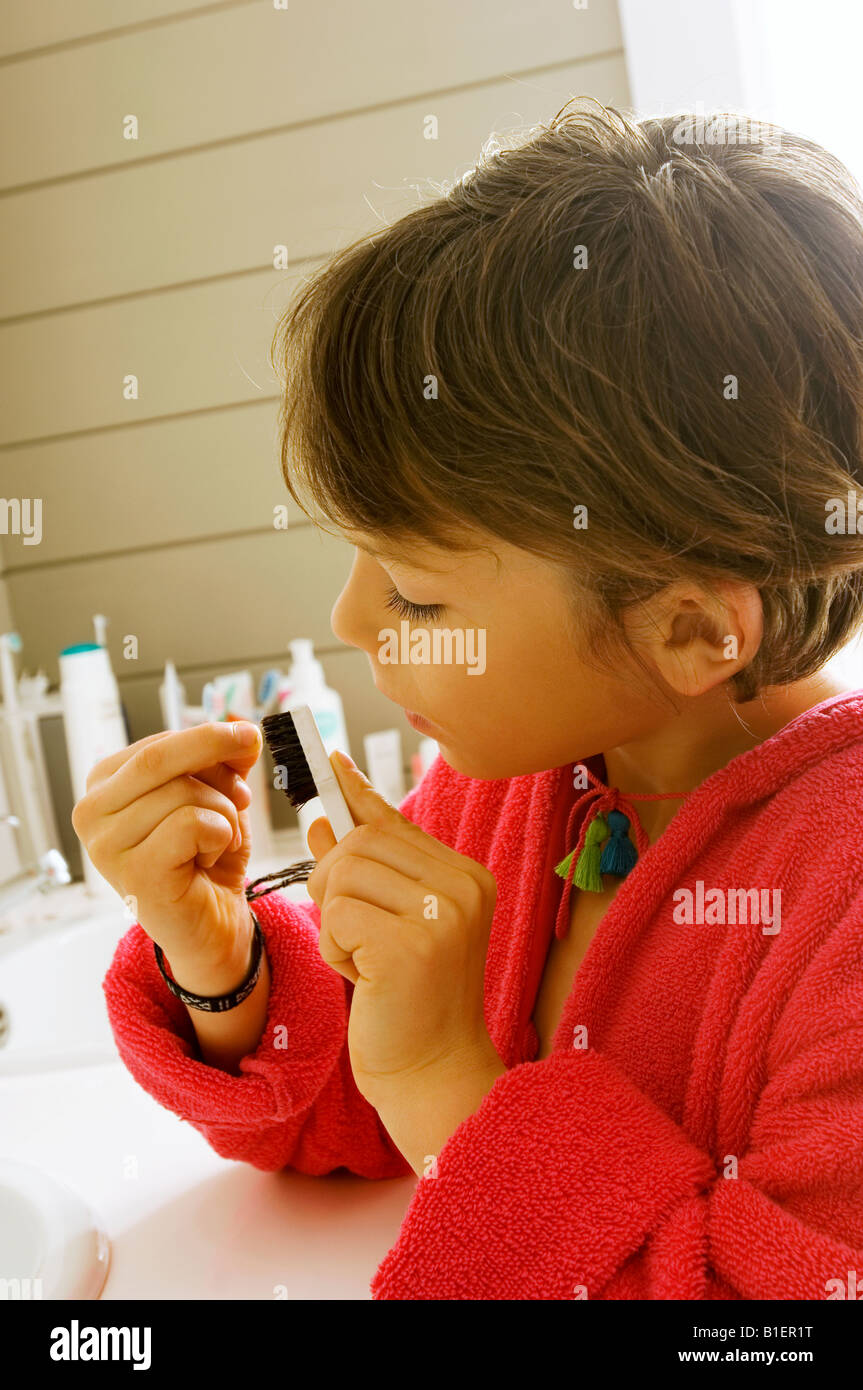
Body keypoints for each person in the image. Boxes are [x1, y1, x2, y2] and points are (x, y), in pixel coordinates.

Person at [75, 100, 863, 1299]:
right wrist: (222, 969)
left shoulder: (838, 907)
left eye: (416, 595)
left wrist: (452, 1079)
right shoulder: (524, 787)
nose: (349, 623)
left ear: (691, 627)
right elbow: (362, 1096)